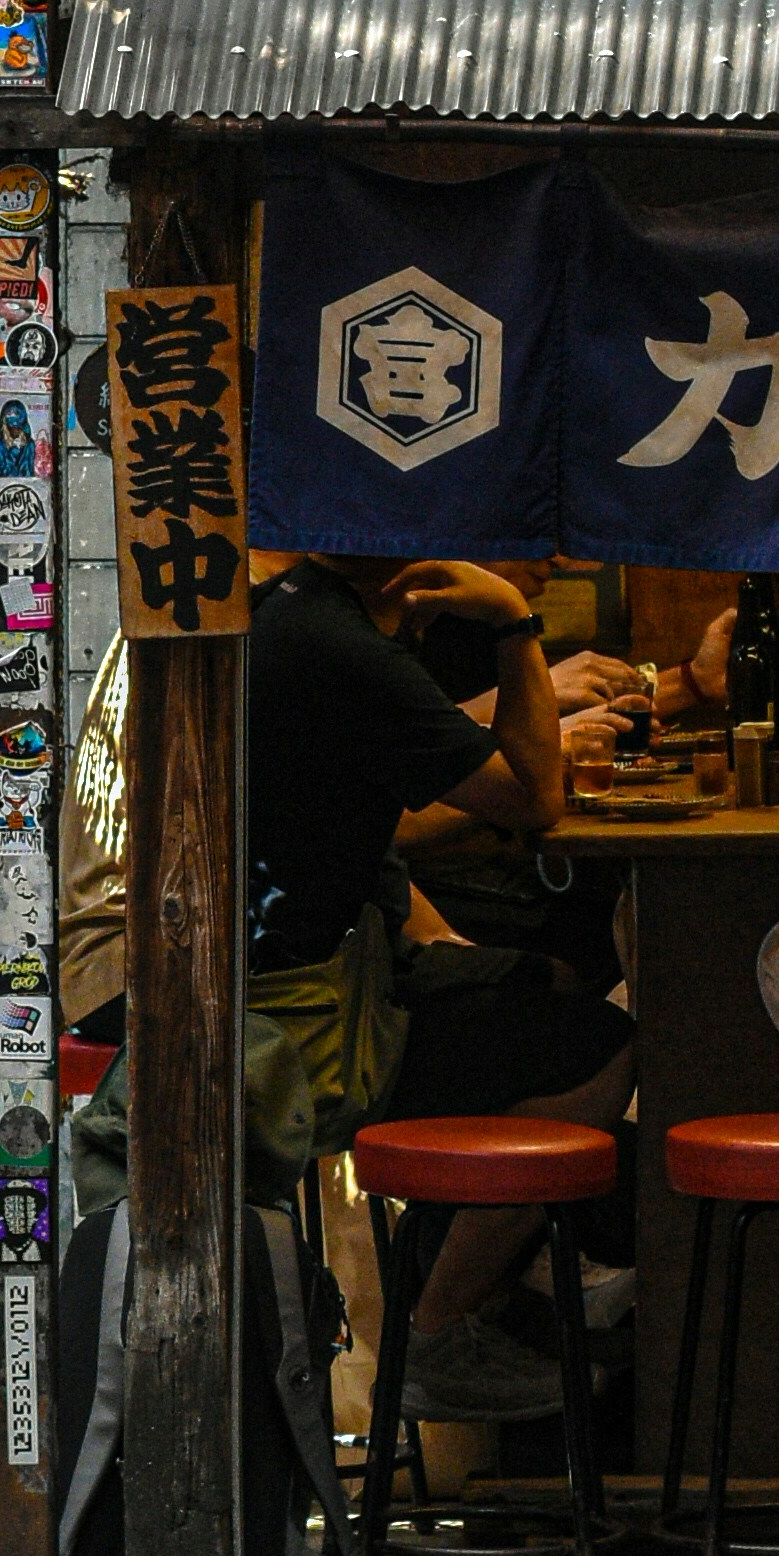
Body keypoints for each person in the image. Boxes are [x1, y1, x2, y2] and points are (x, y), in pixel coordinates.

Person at [244, 553, 635, 1378]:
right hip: (309, 1037)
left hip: (334, 978)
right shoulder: (341, 649)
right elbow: (536, 798)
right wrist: (510, 624)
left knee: (555, 982)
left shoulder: (298, 615)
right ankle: (437, 1331)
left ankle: (483, 1263)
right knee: (610, 1047)